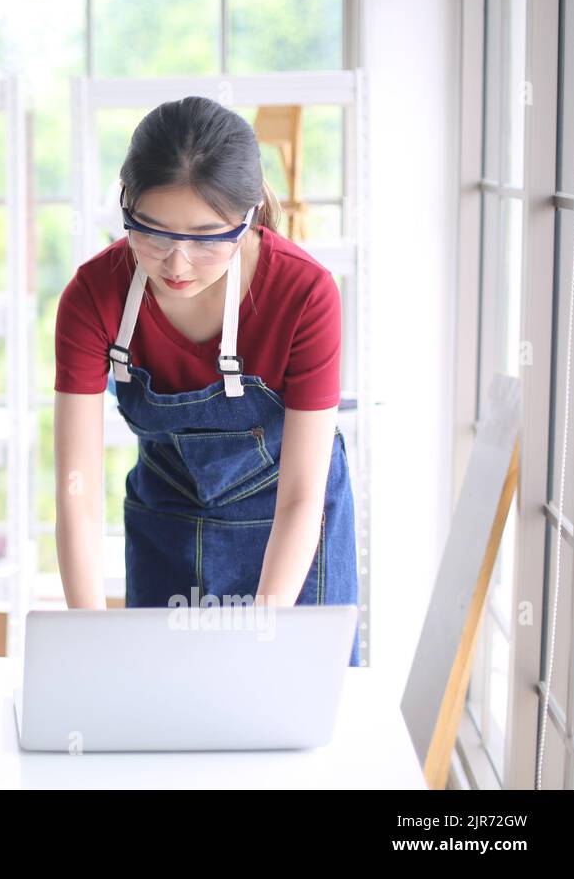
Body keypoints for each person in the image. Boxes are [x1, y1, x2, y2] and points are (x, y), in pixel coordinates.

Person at [53, 95, 360, 666]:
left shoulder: (305, 295)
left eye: (207, 237)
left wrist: (262, 634)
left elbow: (300, 498)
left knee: (292, 716)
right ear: (125, 206)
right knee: (161, 719)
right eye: (151, 232)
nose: (176, 264)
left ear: (246, 217)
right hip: (167, 521)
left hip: (291, 529)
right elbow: (77, 497)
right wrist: (87, 642)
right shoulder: (93, 296)